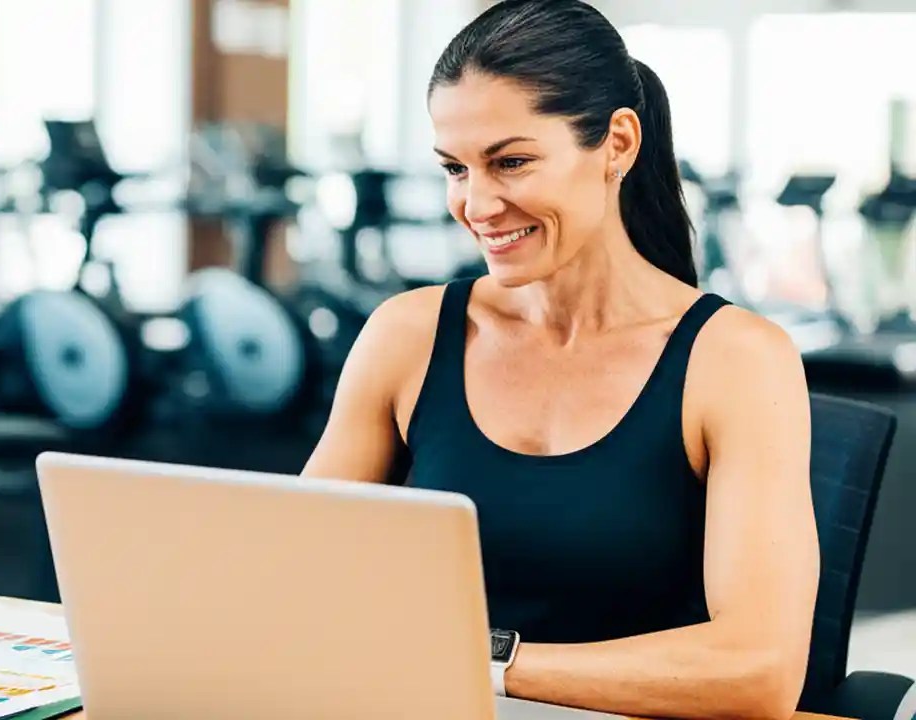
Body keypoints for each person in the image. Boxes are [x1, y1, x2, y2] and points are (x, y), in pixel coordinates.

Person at [301, 1, 819, 718]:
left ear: (617, 144)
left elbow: (759, 671)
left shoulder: (735, 361)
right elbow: (294, 576)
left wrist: (485, 662)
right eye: (455, 168)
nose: (476, 203)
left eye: (511, 162)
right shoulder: (408, 335)